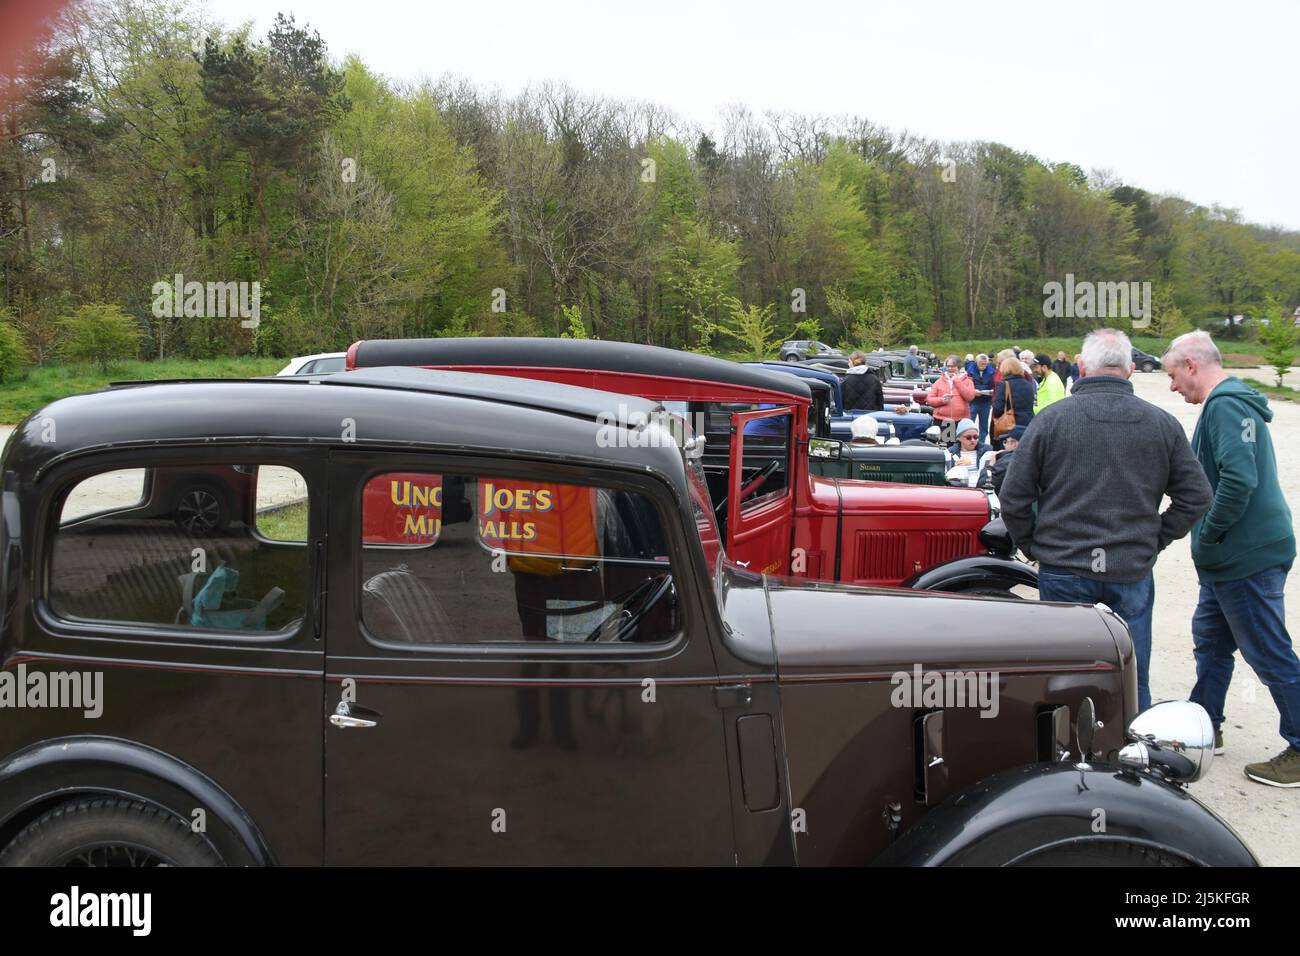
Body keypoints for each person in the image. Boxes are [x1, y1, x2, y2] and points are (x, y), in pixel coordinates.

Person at [999, 328, 1211, 712]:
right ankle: (1129, 757)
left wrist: (1033, 545)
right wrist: (1156, 538)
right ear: (1130, 370)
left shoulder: (1051, 421)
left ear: (1080, 367)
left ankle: (1064, 755)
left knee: (1063, 674)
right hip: (1128, 568)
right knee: (1131, 674)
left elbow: (1014, 495)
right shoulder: (1160, 423)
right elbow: (1196, 496)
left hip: (1065, 566)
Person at [1163, 330, 1300, 787]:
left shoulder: (1225, 405)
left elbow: (1238, 481)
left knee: (1269, 652)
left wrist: (1210, 535)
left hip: (1245, 556)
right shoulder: (1228, 403)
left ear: (1191, 365)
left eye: (1173, 375)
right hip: (1233, 559)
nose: (1172, 386)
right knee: (1213, 643)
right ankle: (1205, 723)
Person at [990, 354, 1035, 445]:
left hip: (1010, 426)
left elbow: (997, 410)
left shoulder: (1004, 385)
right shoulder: (1028, 384)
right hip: (1027, 423)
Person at [924, 355, 976, 425]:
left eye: (953, 366)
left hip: (961, 420)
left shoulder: (968, 381)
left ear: (959, 367)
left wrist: (957, 381)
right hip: (942, 419)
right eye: (948, 366)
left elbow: (970, 397)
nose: (950, 368)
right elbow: (929, 400)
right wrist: (942, 400)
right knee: (944, 436)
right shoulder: (939, 381)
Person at [980, 424, 1025, 493]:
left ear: (1014, 444)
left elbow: (982, 484)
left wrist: (990, 465)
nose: (1004, 445)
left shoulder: (1007, 461)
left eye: (1006, 442)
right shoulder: (1034, 458)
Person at [968, 353, 996, 443]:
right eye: (981, 364)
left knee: (984, 425)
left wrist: (992, 391)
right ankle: (969, 440)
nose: (983, 366)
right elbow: (967, 386)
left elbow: (994, 385)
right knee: (970, 423)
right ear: (976, 362)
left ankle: (982, 443)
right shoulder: (970, 371)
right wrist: (973, 391)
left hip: (985, 401)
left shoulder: (992, 372)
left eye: (985, 364)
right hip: (973, 401)